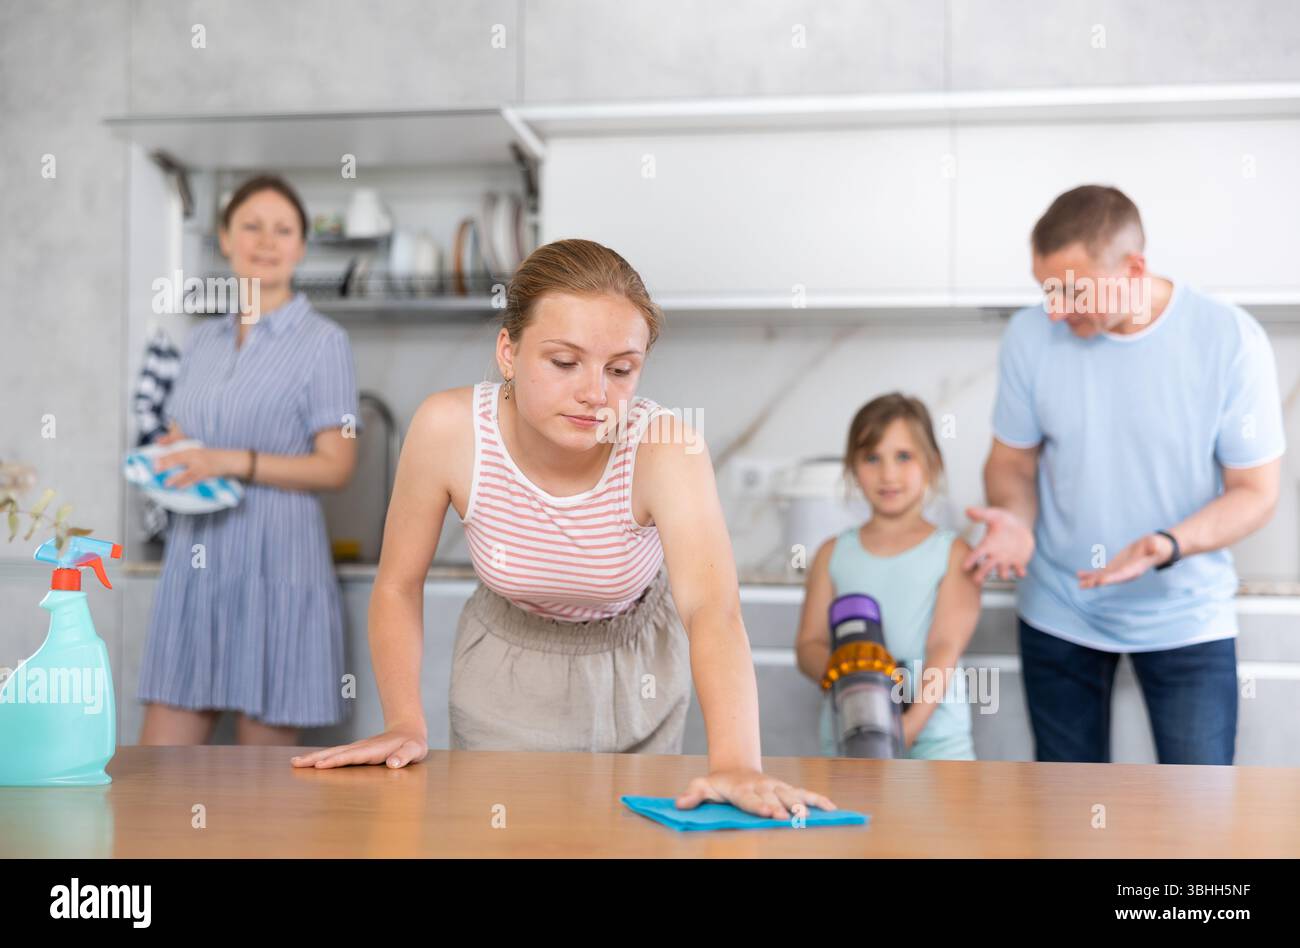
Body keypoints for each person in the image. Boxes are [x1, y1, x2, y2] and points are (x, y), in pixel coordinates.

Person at [292, 238, 835, 820]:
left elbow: (712, 609)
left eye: (621, 369)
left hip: (638, 670)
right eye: (564, 362)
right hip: (504, 667)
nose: (595, 394)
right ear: (509, 351)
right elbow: (398, 584)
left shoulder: (665, 447)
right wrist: (403, 722)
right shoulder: (448, 429)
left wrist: (736, 762)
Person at [966, 184, 1284, 764]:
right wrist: (1014, 519)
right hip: (1060, 610)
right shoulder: (1029, 336)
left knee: (1200, 820)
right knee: (1068, 823)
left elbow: (1256, 492)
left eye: (1071, 290)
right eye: (1046, 291)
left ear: (1134, 268)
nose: (1056, 310)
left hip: (1187, 615)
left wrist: (1169, 544)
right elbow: (1013, 463)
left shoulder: (1230, 341)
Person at [139, 174, 360, 746]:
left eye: (283, 229)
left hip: (277, 564)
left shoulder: (323, 342)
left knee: (263, 799)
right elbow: (188, 436)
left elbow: (336, 466)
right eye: (252, 226)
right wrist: (176, 451)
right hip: (195, 563)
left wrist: (230, 460)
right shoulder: (201, 342)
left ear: (302, 246)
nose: (267, 241)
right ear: (225, 238)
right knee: (158, 777)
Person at [796, 393, 981, 759]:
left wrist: (905, 729)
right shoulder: (832, 554)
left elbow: (944, 648)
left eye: (903, 457)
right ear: (852, 468)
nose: (888, 474)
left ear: (933, 463)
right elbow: (808, 646)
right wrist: (850, 674)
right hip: (851, 737)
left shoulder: (954, 553)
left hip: (937, 742)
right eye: (871, 458)